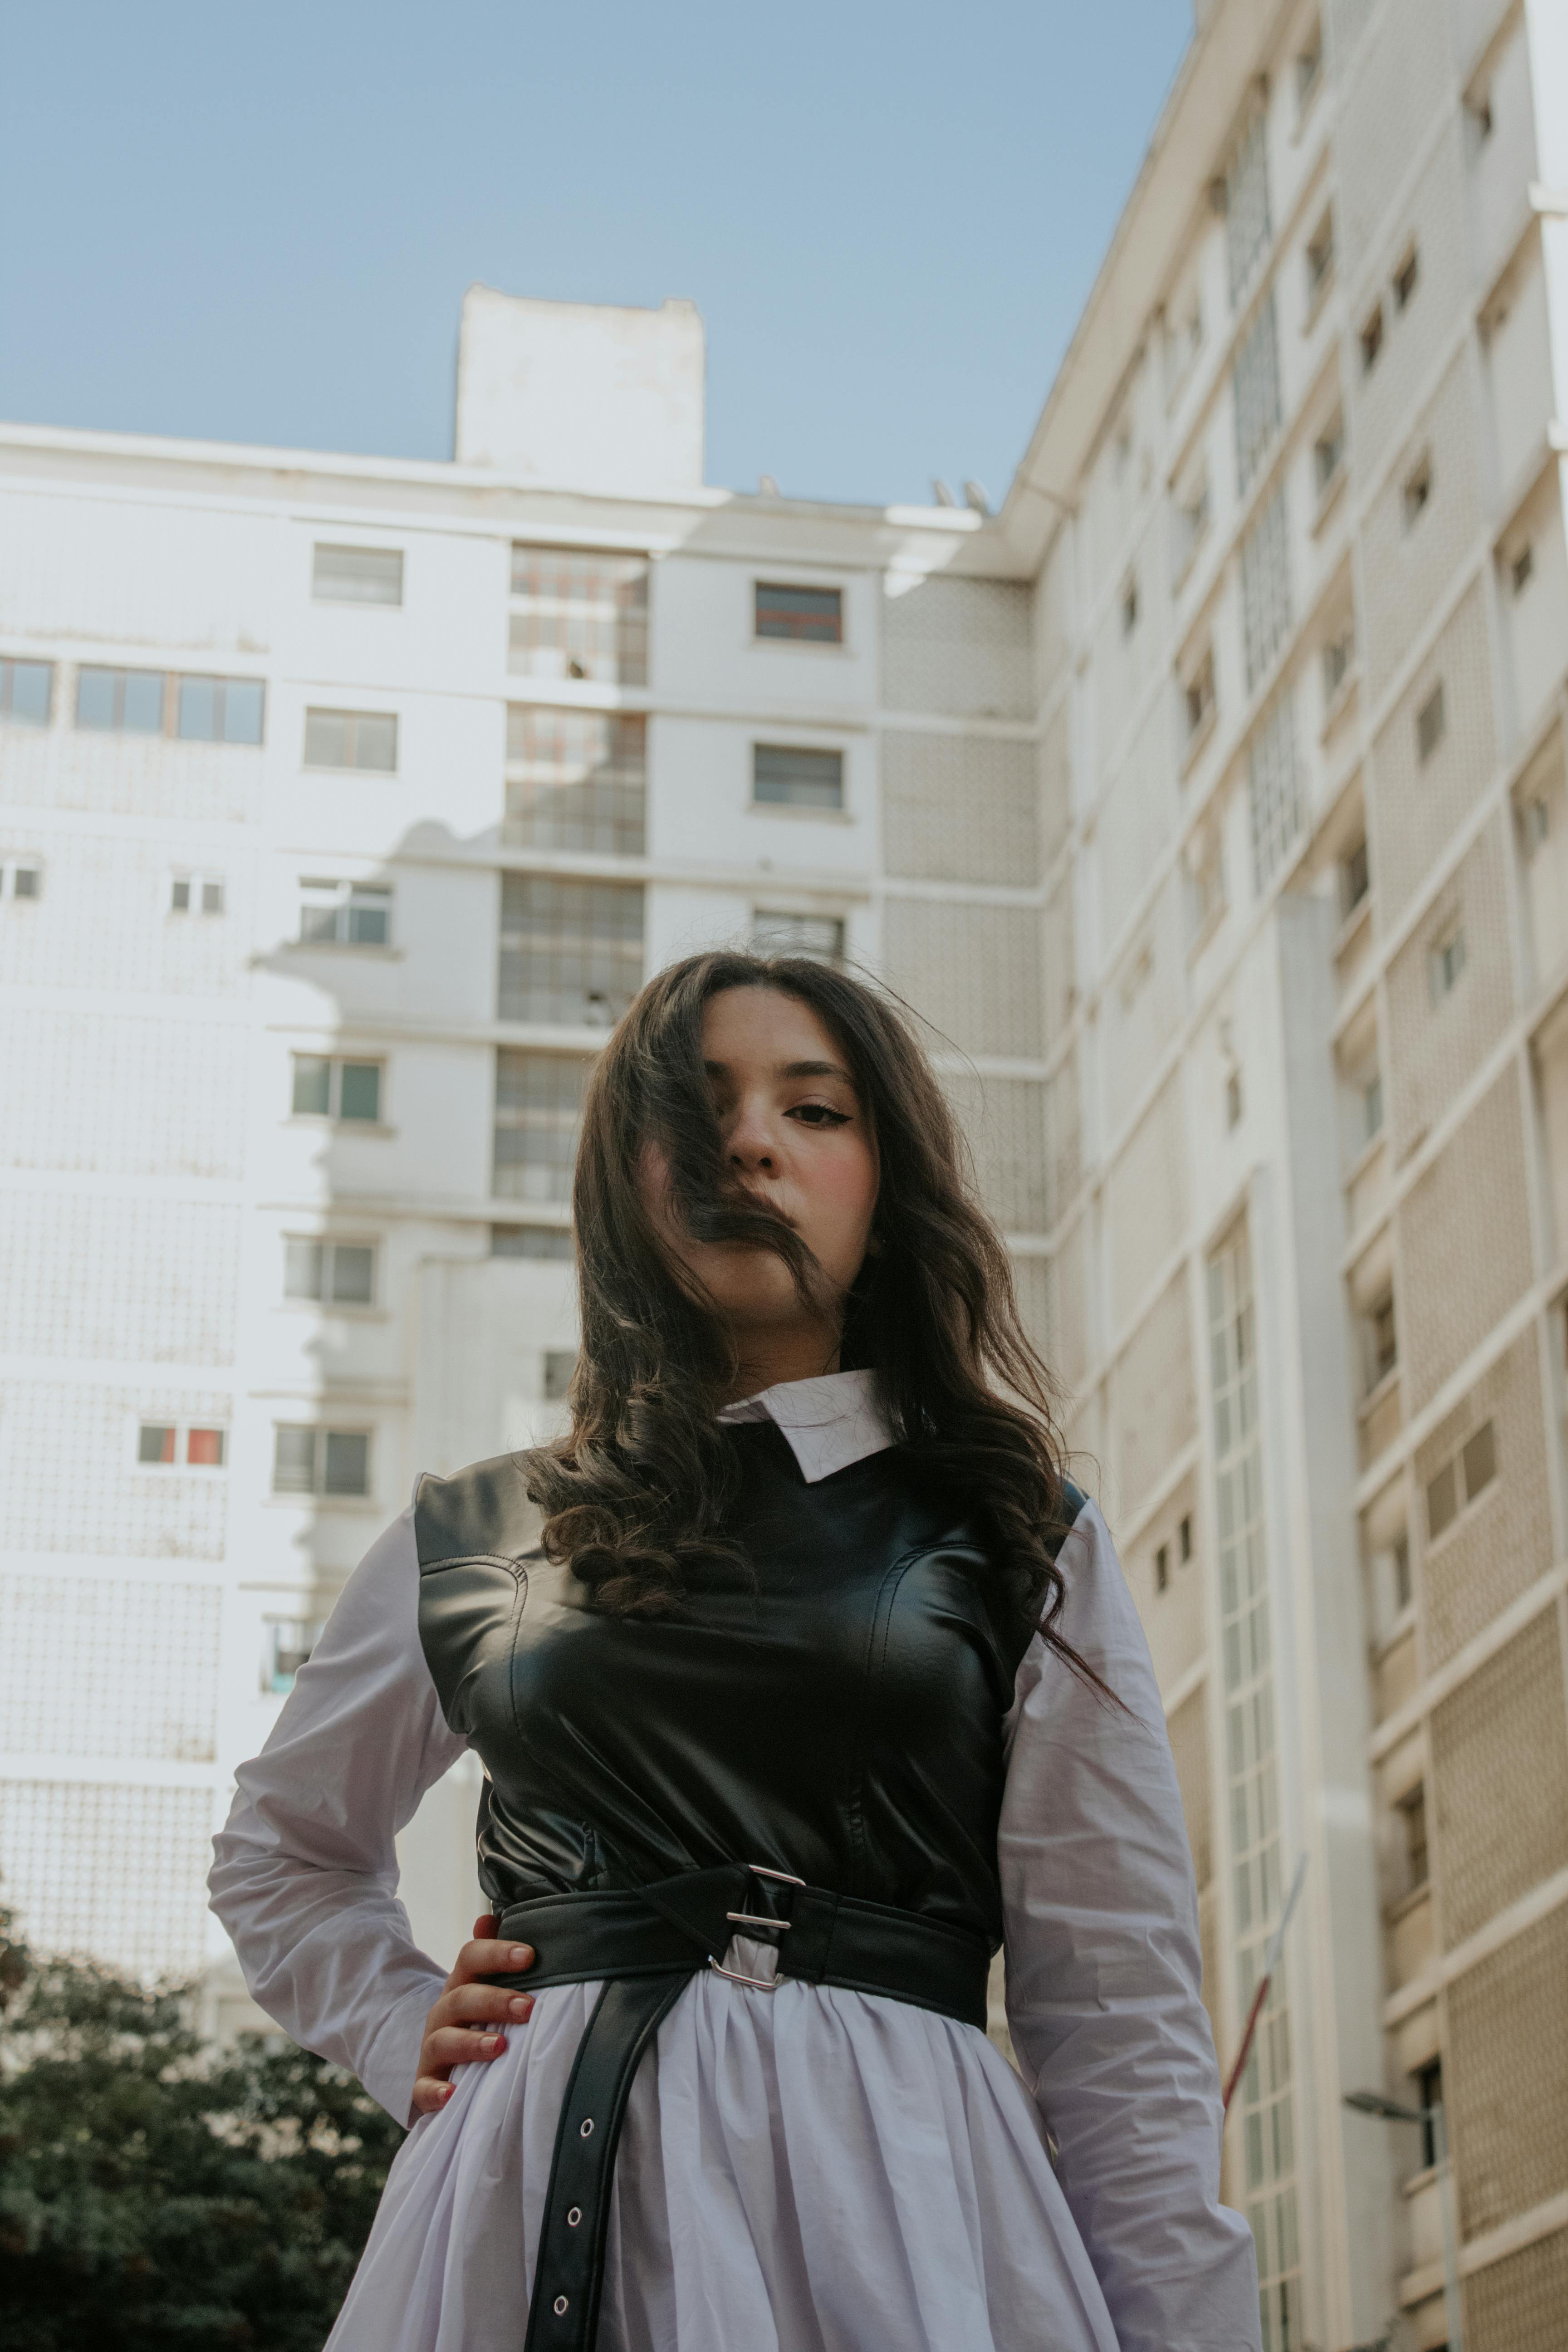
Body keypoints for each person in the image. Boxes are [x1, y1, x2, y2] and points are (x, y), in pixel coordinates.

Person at [210, 950, 1260, 2352]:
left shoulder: (1016, 1534)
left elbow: (1121, 2014)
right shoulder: (471, 1534)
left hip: (897, 2202)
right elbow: (281, 1851)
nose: (750, 1141)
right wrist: (396, 2023)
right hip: (526, 2202)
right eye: (699, 1107)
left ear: (888, 1193)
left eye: (814, 1111)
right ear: (625, 1177)